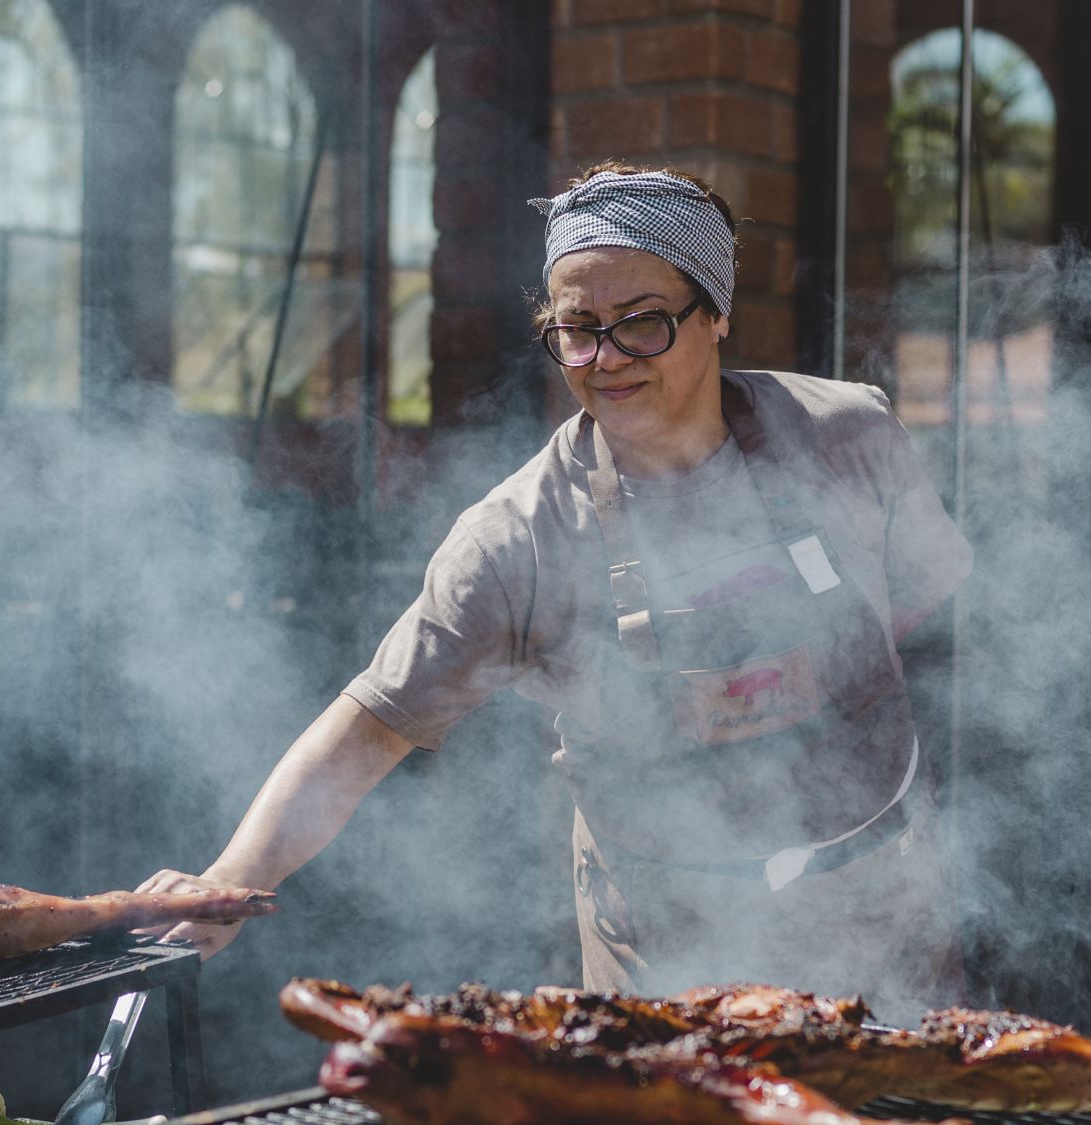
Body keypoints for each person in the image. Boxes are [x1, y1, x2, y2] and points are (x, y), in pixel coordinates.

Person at [142, 162, 972, 1003]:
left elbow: (915, 612)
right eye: (578, 329)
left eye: (642, 322)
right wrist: (230, 879)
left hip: (878, 902)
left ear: (717, 314)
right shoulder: (519, 539)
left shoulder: (846, 438)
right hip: (668, 942)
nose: (606, 359)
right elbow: (369, 730)